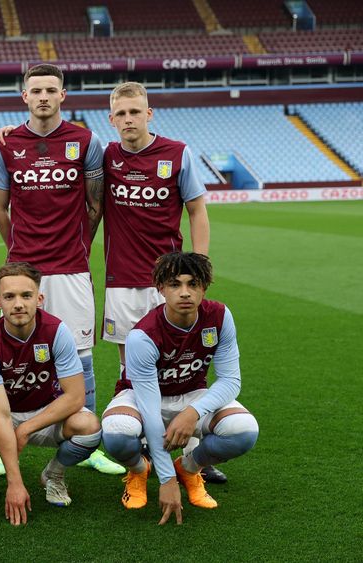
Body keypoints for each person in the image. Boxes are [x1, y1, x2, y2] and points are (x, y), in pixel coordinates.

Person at [0, 63, 122, 475]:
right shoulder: (6, 145)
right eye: (36, 90)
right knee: (16, 353)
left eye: (51, 90)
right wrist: (18, 250)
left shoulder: (85, 141)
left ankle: (89, 438)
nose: (43, 96)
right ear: (24, 97)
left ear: (63, 95)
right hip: (25, 269)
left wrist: (80, 242)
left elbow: (95, 205)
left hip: (71, 267)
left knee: (80, 355)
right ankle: (5, 443)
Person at [100, 82, 223, 484]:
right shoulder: (107, 156)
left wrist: (199, 267)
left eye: (136, 112)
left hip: (170, 282)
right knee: (130, 371)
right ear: (112, 119)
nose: (129, 119)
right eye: (121, 114)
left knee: (188, 363)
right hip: (122, 280)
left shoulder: (177, 153)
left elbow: (197, 210)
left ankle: (192, 451)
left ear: (149, 113)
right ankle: (143, 452)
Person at [101, 252, 258, 524]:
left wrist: (192, 412)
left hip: (193, 394)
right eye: (175, 284)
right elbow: (150, 411)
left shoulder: (220, 316)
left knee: (243, 431)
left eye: (192, 284)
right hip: (143, 397)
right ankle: (139, 470)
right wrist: (166, 480)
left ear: (203, 288)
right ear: (160, 288)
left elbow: (231, 380)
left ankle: (189, 468)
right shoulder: (142, 335)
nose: (184, 293)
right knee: (117, 433)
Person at [0, 262, 102, 524]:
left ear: (40, 298)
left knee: (89, 426)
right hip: (4, 412)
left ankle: (54, 475)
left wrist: (26, 429)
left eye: (26, 295)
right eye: (9, 297)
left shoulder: (57, 332)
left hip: (46, 409)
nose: (19, 304)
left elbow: (75, 396)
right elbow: (1, 415)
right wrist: (15, 483)